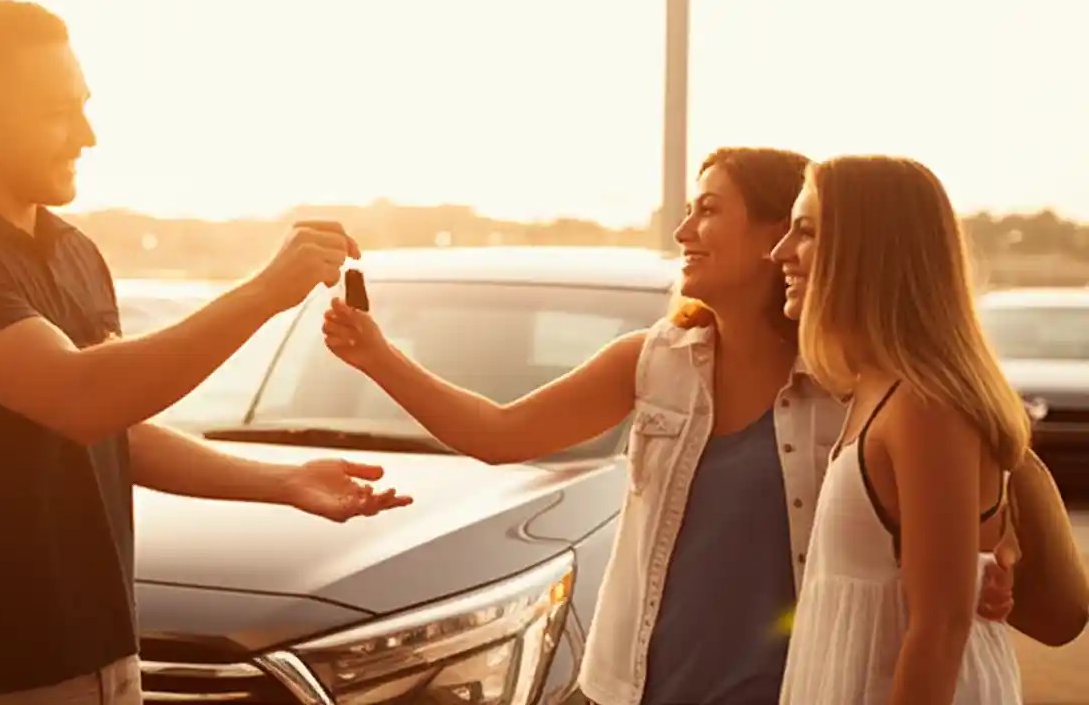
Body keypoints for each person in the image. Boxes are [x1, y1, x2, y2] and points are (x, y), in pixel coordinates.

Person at [320, 147, 1017, 705]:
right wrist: (377, 357)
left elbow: (985, 506)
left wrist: (1002, 560)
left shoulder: (864, 384)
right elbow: (498, 435)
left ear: (779, 234)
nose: (683, 232)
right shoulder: (655, 361)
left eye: (708, 211)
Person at [0, 0, 410, 704]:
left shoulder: (75, 253)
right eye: (57, 111)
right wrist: (266, 292)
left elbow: (116, 427)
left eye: (84, 106)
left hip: (112, 659)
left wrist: (281, 483)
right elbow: (80, 397)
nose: (87, 135)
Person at [773, 156, 1025, 704]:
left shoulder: (924, 406)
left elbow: (940, 632)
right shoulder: (876, 391)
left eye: (807, 231)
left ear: (868, 251)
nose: (780, 252)